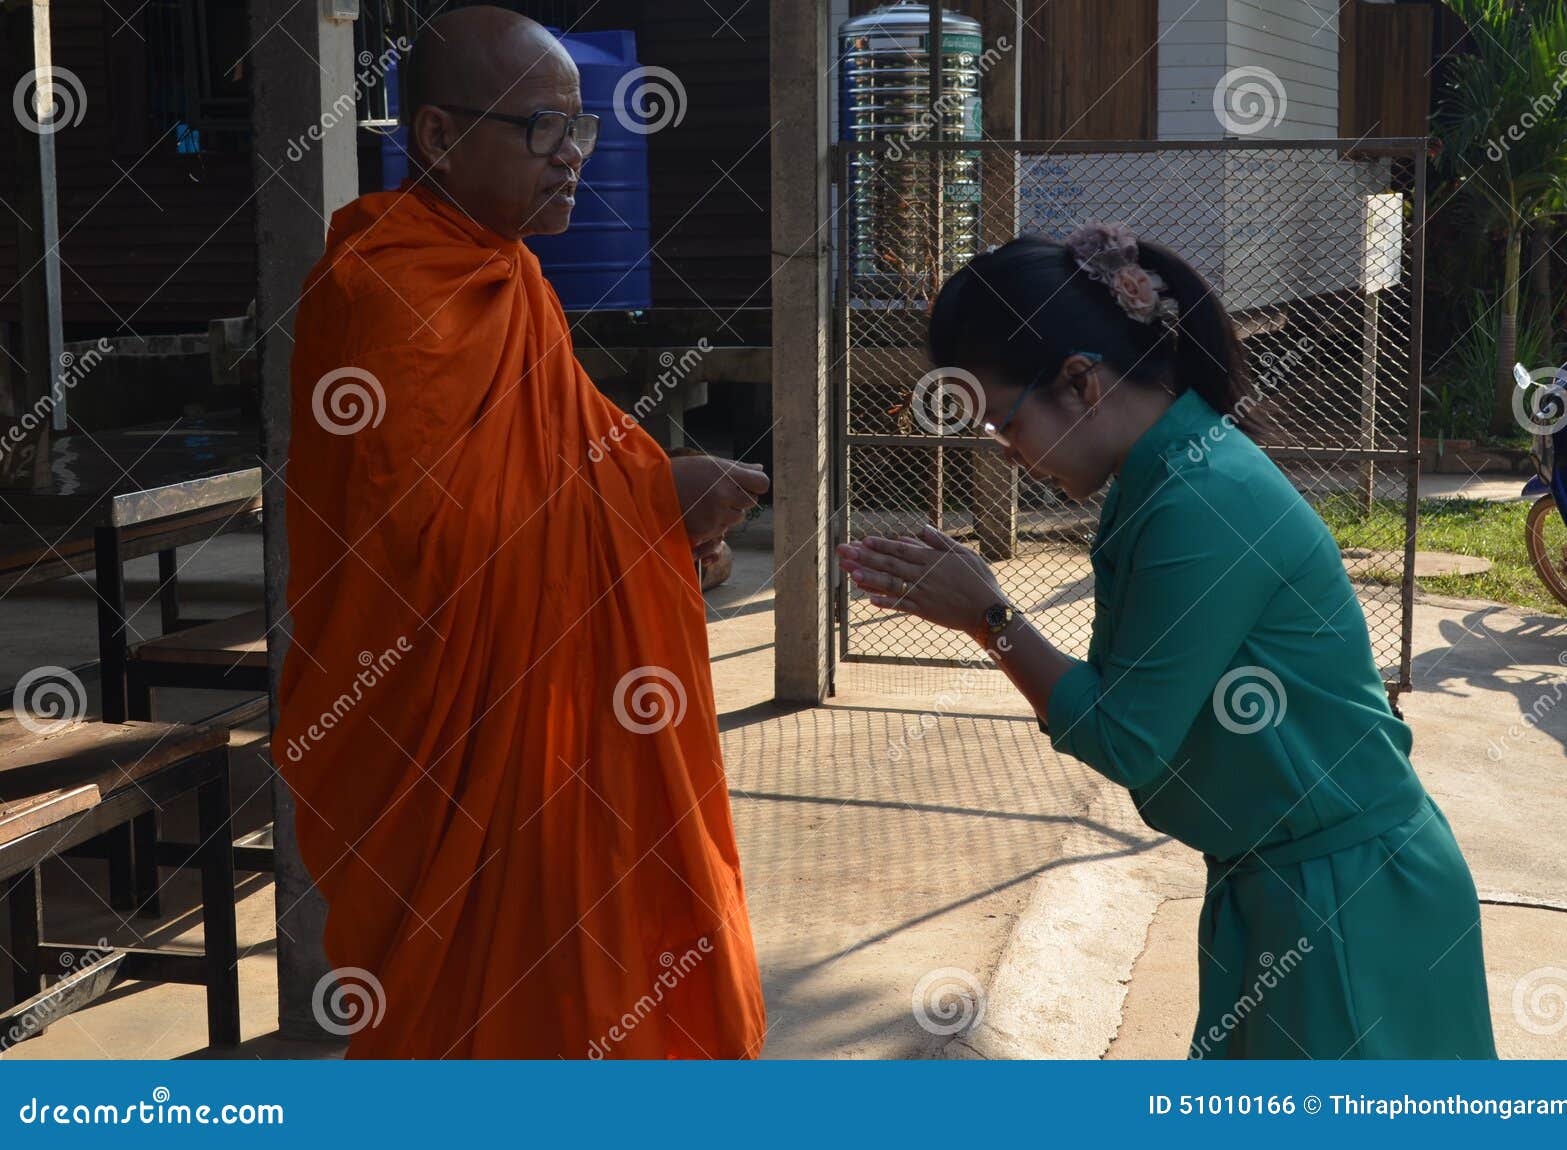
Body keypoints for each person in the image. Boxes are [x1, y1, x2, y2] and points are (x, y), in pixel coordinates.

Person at [837, 225, 1497, 1059]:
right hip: (1298, 886)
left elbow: (1125, 734)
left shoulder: (1199, 500)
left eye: (1005, 422)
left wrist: (992, 622)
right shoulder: (1164, 478)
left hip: (1345, 907)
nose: (1006, 453)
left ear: (1080, 380)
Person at [273, 6, 767, 1058]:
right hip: (458, 736)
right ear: (442, 138)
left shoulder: (512, 281)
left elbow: (570, 469)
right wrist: (643, 520)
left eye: (581, 129)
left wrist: (664, 512)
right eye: (543, 130)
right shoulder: (380, 291)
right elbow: (443, 553)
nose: (574, 157)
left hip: (551, 726)